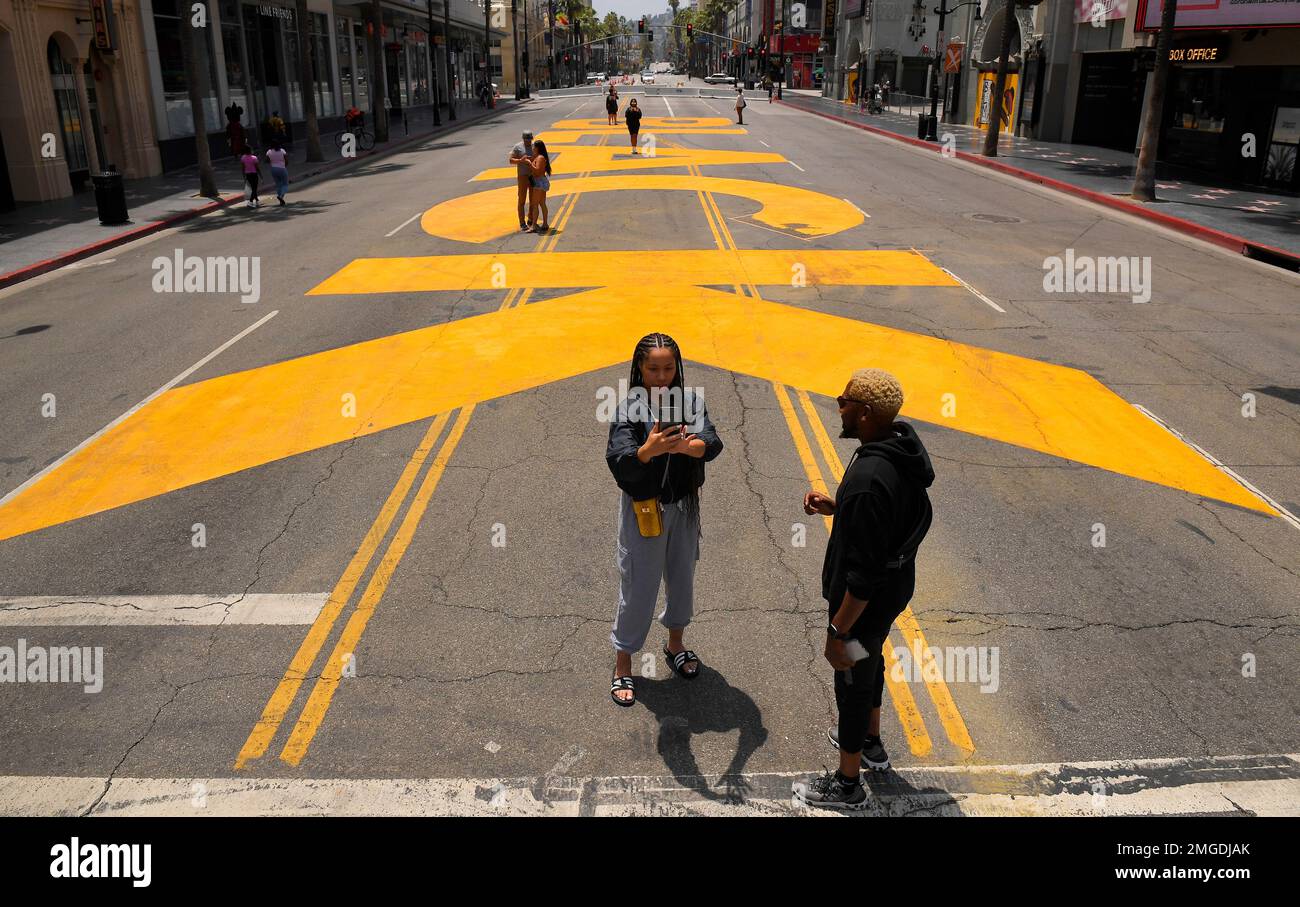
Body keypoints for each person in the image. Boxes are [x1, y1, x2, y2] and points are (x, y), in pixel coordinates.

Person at [791, 369, 935, 810]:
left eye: (845, 400)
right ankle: (871, 743)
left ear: (866, 413)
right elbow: (892, 516)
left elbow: (863, 576)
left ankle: (847, 784)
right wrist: (842, 508)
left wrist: (838, 632)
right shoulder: (898, 448)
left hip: (864, 604)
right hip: (894, 589)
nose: (838, 405)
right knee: (869, 662)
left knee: (851, 679)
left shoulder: (871, 477)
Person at [606, 333, 723, 707]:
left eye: (668, 368)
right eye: (653, 368)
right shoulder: (629, 409)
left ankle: (676, 645)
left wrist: (693, 446)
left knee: (682, 576)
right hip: (645, 509)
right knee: (639, 584)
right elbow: (618, 459)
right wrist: (646, 451)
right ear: (639, 368)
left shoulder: (689, 402)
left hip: (684, 506)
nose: (661, 376)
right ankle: (623, 661)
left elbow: (712, 439)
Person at [508, 130, 535, 232]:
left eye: (530, 139)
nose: (528, 141)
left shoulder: (534, 146)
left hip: (532, 176)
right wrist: (520, 161)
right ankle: (522, 222)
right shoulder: (518, 147)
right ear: (523, 139)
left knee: (533, 199)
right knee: (522, 200)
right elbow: (511, 160)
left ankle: (531, 219)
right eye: (526, 139)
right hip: (522, 176)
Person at [526, 139, 551, 233]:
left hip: (539, 182)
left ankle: (534, 226)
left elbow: (537, 172)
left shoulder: (540, 158)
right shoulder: (539, 157)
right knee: (542, 203)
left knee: (535, 204)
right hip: (541, 182)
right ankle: (545, 224)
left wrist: (529, 164)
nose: (532, 148)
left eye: (533, 147)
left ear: (537, 148)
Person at [265, 139, 289, 206]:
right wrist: (284, 165)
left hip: (273, 169)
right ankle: (281, 196)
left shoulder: (269, 152)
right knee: (285, 184)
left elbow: (267, 161)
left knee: (278, 184)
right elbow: (286, 160)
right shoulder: (282, 151)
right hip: (282, 168)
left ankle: (281, 200)